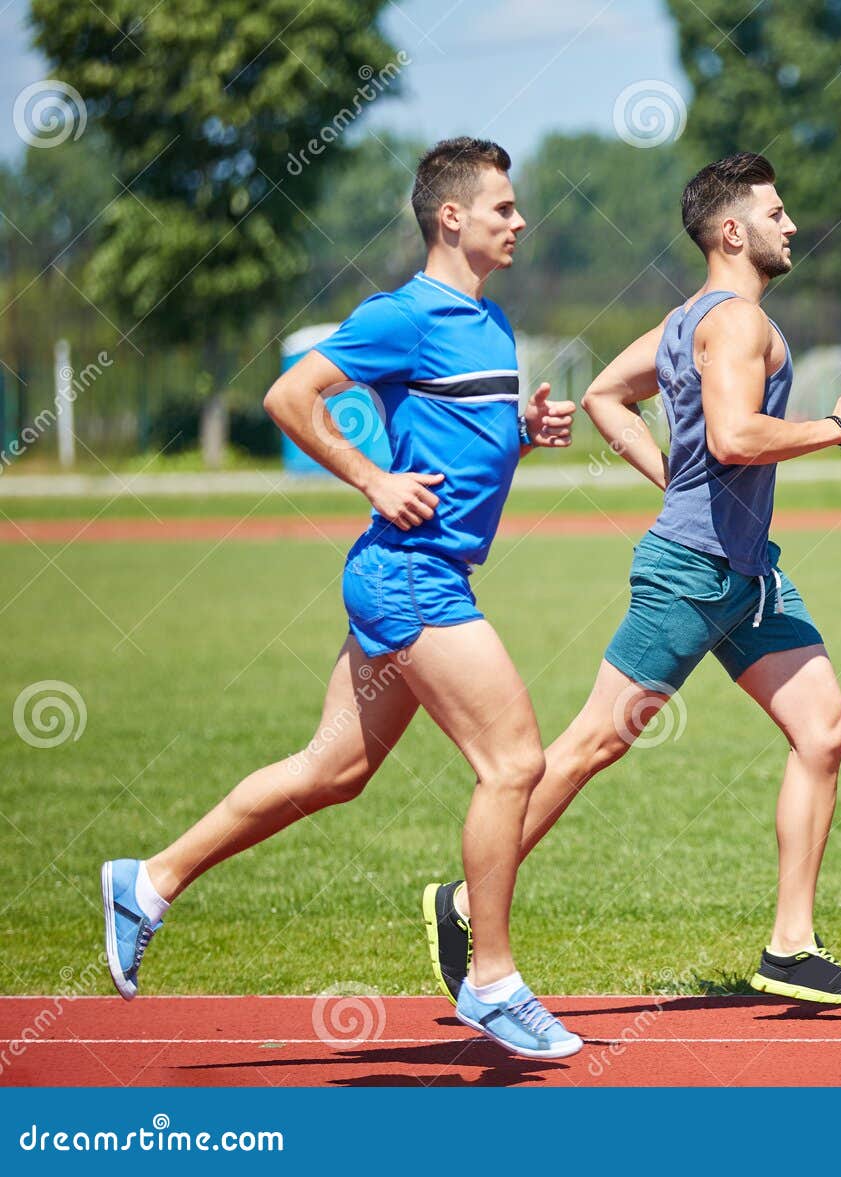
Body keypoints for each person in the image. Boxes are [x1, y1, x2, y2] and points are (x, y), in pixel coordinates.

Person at [101, 138, 586, 1060]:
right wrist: (370, 477)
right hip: (413, 577)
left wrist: (522, 432)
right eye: (504, 208)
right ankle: (493, 981)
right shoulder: (402, 315)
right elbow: (290, 396)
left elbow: (458, 446)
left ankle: (148, 880)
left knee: (333, 771)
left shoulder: (492, 324)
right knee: (515, 762)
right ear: (452, 218)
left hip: (416, 572)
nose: (520, 222)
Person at [422, 152, 841, 1006]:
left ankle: (790, 946)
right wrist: (835, 428)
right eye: (776, 213)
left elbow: (603, 395)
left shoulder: (687, 321)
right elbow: (736, 438)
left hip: (746, 578)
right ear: (734, 230)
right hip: (690, 576)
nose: (792, 225)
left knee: (822, 731)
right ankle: (463, 897)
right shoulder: (738, 326)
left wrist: (668, 473)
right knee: (593, 744)